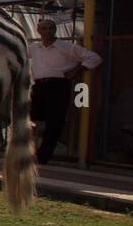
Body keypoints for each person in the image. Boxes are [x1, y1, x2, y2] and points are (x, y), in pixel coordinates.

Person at [29, 17, 103, 164]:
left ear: (55, 30)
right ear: (38, 31)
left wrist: (78, 70)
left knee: (54, 122)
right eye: (44, 28)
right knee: (29, 118)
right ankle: (27, 152)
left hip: (58, 86)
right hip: (38, 86)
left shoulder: (66, 47)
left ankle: (43, 157)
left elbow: (94, 57)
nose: (48, 31)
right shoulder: (34, 48)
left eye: (51, 28)